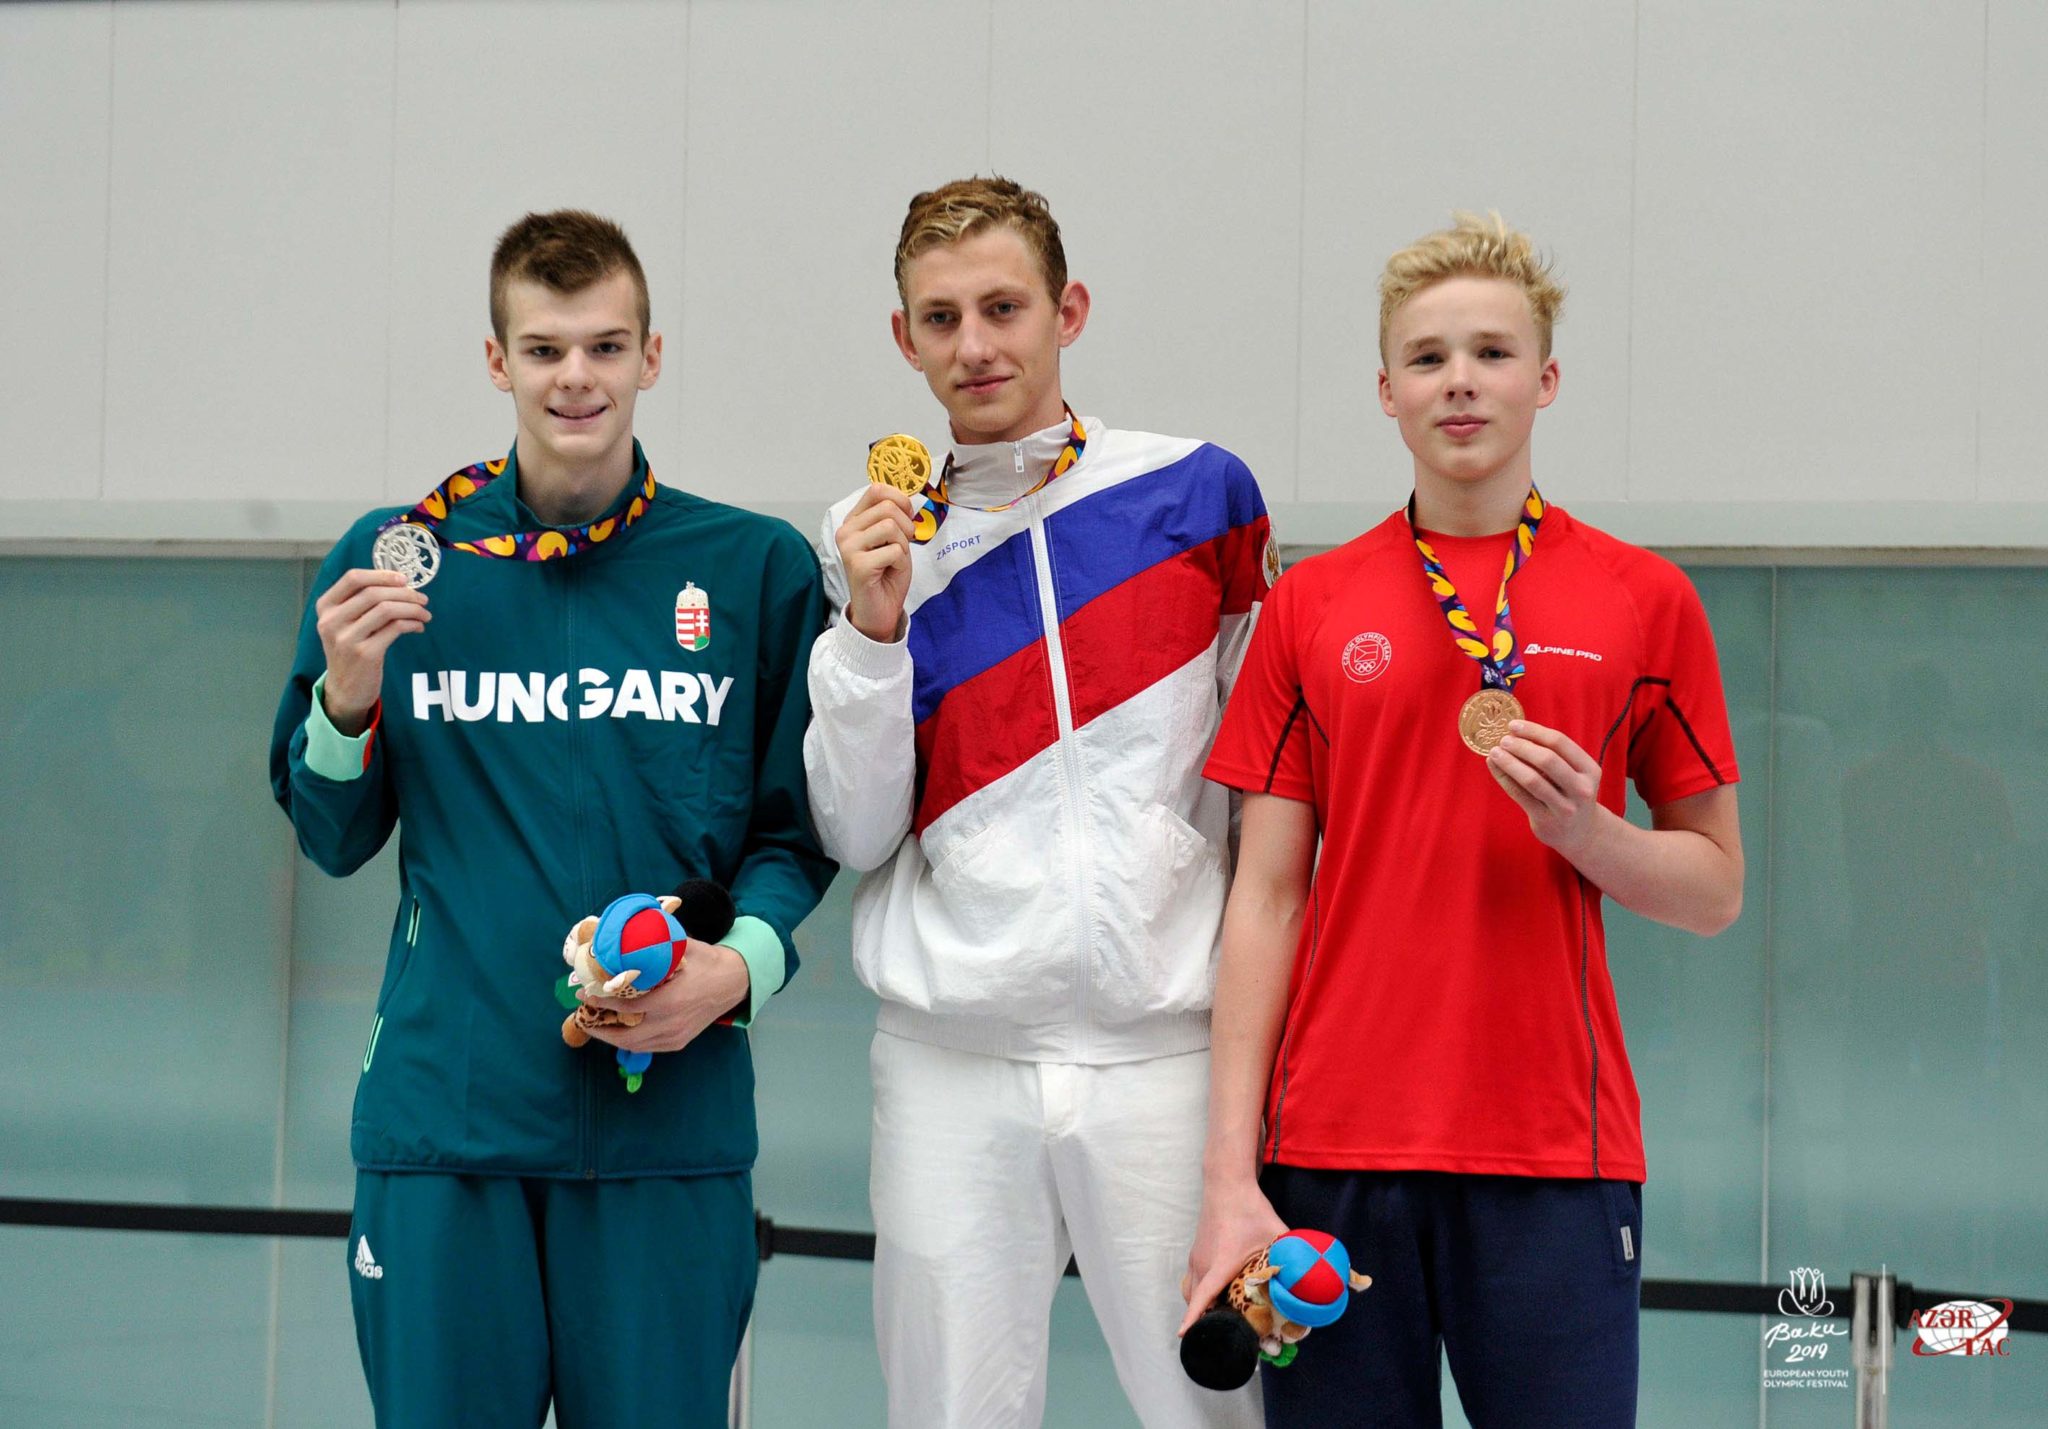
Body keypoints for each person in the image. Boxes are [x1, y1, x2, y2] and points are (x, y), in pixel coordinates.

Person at [270, 209, 833, 1427]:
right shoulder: (397, 559)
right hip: (449, 1121)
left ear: (650, 355)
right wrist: (346, 699)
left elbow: (797, 835)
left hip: (667, 1126)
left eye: (604, 346)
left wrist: (734, 972)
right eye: (543, 349)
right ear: (497, 361)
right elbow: (330, 835)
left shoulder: (753, 568)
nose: (575, 376)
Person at [1183, 213, 1745, 1428]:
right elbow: (1264, 896)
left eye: (1491, 352)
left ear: (1545, 379)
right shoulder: (1309, 605)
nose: (1459, 381)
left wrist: (1589, 834)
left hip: (1555, 1156)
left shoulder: (1644, 599)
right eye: (1426, 356)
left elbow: (1714, 889)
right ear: (1384, 389)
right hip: (1328, 1156)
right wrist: (1229, 1171)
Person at [803, 176, 1273, 1427]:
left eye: (1002, 308)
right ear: (903, 337)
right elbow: (854, 829)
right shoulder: (865, 538)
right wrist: (871, 632)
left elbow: (1273, 789)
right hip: (948, 1058)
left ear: (1067, 311)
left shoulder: (1197, 492)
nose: (974, 345)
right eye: (940, 317)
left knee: (1215, 1410)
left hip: (1166, 1051)